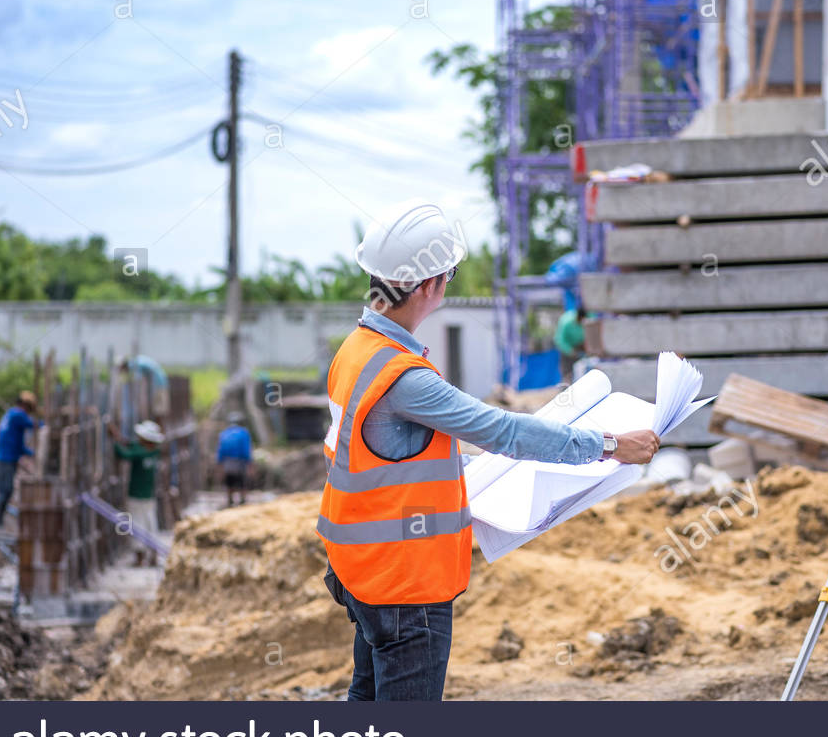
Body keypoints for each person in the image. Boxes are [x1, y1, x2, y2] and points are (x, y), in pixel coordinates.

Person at [317, 199, 660, 701]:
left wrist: (477, 471)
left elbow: (385, 454)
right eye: (450, 275)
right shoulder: (403, 378)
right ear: (431, 284)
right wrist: (610, 445)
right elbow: (502, 429)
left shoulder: (356, 352)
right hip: (405, 584)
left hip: (361, 570)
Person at [110, 419, 166, 566]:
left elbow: (124, 454)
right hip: (149, 496)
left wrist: (114, 442)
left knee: (136, 526)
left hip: (136, 496)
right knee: (150, 525)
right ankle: (153, 555)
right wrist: (120, 437)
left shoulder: (140, 453)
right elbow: (131, 445)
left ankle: (140, 559)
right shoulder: (154, 452)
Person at [0, 390, 39, 526]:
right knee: (5, 491)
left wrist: (32, 453)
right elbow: (34, 425)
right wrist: (47, 426)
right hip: (5, 461)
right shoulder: (17, 415)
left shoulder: (11, 415)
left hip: (7, 460)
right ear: (25, 405)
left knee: (6, 491)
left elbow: (19, 447)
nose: (28, 413)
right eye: (29, 409)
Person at [217, 411, 252, 507]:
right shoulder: (244, 433)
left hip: (227, 463)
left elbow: (220, 451)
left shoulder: (224, 434)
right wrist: (249, 463)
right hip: (239, 462)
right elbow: (246, 450)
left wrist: (220, 465)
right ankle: (242, 500)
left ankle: (230, 500)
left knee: (229, 482)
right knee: (241, 482)